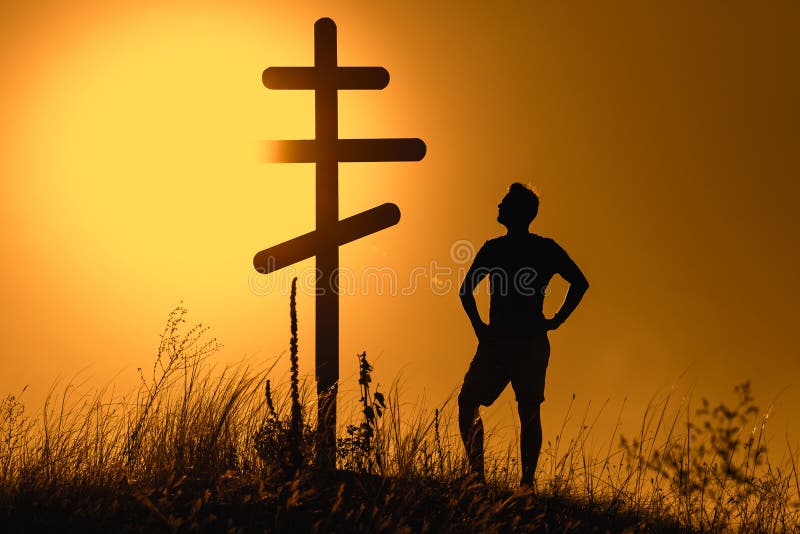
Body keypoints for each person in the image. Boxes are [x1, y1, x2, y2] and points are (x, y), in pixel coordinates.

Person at [458, 182, 589, 486]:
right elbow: (466, 291)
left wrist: (556, 320)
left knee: (518, 409)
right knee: (504, 407)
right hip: (512, 340)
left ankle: (513, 482)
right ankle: (487, 478)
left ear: (517, 211)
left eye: (504, 203)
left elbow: (466, 291)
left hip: (516, 341)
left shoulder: (504, 249)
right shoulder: (536, 249)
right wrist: (555, 320)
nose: (498, 206)